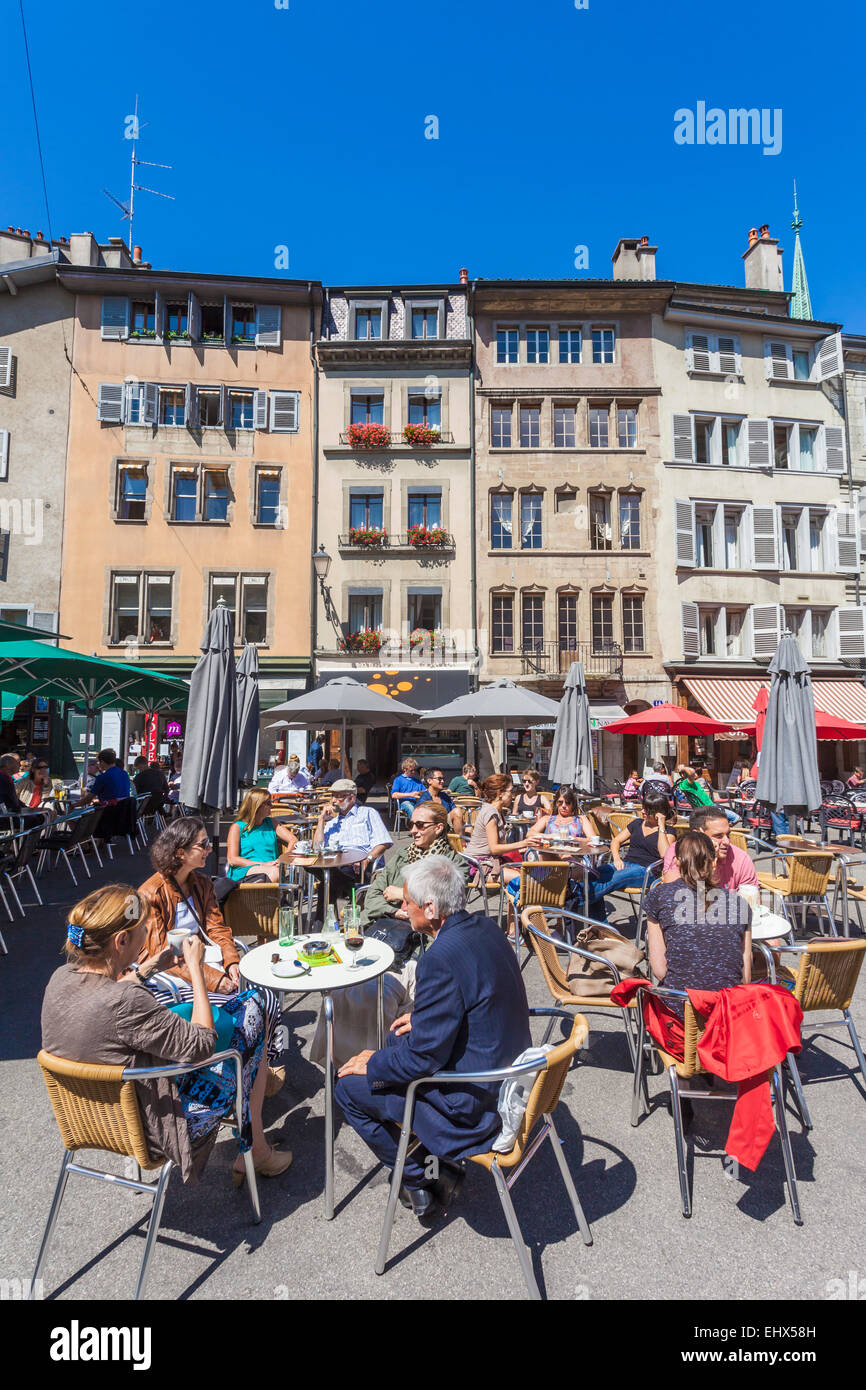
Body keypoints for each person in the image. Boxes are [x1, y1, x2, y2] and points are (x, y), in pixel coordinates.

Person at [40, 884, 291, 1185]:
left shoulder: (60, 979)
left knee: (246, 1031)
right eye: (142, 930)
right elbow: (202, 1044)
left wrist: (148, 967)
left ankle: (257, 1145)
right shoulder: (126, 1002)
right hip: (159, 1126)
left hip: (96, 1119)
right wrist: (197, 971)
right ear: (121, 941)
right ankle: (255, 1150)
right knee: (253, 1013)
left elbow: (111, 997)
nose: (147, 935)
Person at [335, 857, 531, 1217]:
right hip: (508, 1071)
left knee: (348, 1085)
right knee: (394, 1038)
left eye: (408, 901)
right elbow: (477, 997)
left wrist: (372, 1062)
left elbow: (422, 1060)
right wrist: (423, 1017)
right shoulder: (486, 928)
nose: (402, 907)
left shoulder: (438, 958)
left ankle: (422, 1176)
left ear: (431, 908)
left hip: (474, 1102)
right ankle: (427, 1161)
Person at [138, 817, 285, 1085]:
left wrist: (231, 962)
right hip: (173, 972)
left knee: (269, 994)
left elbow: (217, 928)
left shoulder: (202, 882)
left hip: (206, 960)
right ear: (180, 852)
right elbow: (160, 954)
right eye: (203, 844)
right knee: (241, 1008)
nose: (209, 849)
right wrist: (217, 980)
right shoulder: (150, 893)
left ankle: (263, 1062)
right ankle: (239, 1073)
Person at [646, 831, 752, 1017]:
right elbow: (745, 977)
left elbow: (660, 970)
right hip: (726, 1016)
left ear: (677, 862)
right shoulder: (740, 904)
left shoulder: (659, 896)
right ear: (713, 862)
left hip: (678, 1013)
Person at [582, 790, 676, 921]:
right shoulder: (637, 823)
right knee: (592, 874)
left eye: (647, 810)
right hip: (626, 864)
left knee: (614, 878)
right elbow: (616, 841)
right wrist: (616, 858)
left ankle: (578, 897)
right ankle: (600, 925)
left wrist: (661, 826)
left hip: (647, 872)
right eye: (643, 808)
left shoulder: (669, 831)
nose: (643, 811)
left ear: (658, 813)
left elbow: (664, 854)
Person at [312, 778, 393, 907]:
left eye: (339, 797)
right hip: (336, 864)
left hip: (361, 865)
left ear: (352, 798)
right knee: (321, 872)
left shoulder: (367, 813)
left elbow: (384, 842)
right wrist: (321, 820)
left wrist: (367, 859)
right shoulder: (332, 823)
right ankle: (352, 894)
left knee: (326, 882)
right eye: (333, 796)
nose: (333, 801)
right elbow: (317, 847)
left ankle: (322, 922)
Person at [661, 806, 758, 891]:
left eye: (728, 835)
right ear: (698, 834)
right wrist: (707, 863)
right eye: (718, 836)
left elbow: (752, 900)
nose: (727, 842)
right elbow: (671, 895)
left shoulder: (740, 858)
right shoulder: (678, 851)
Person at [463, 773, 532, 886]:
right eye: (511, 791)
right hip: (477, 866)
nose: (513, 795)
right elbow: (494, 848)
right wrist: (523, 843)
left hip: (489, 860)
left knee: (528, 871)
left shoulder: (497, 811)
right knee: (524, 879)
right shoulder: (491, 813)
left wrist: (520, 849)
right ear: (500, 793)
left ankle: (514, 903)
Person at [226, 788, 297, 883]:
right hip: (245, 870)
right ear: (257, 806)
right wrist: (262, 864)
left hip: (272, 869)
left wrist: (281, 860)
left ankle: (261, 894)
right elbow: (232, 859)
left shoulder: (272, 823)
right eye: (268, 803)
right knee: (275, 873)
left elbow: (293, 840)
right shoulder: (237, 827)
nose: (271, 806)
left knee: (275, 873)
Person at [526, 786, 595, 846]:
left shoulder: (581, 819)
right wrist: (549, 836)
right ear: (556, 803)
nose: (563, 806)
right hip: (551, 854)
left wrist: (575, 839)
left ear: (573, 804)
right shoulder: (547, 819)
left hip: (574, 854)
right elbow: (529, 834)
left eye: (567, 803)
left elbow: (593, 839)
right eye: (560, 802)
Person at [416, 767, 464, 833]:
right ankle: (460, 842)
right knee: (457, 811)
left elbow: (454, 809)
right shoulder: (424, 800)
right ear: (429, 781)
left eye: (443, 779)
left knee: (469, 828)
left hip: (446, 825)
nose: (443, 781)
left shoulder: (444, 796)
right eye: (439, 779)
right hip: (432, 829)